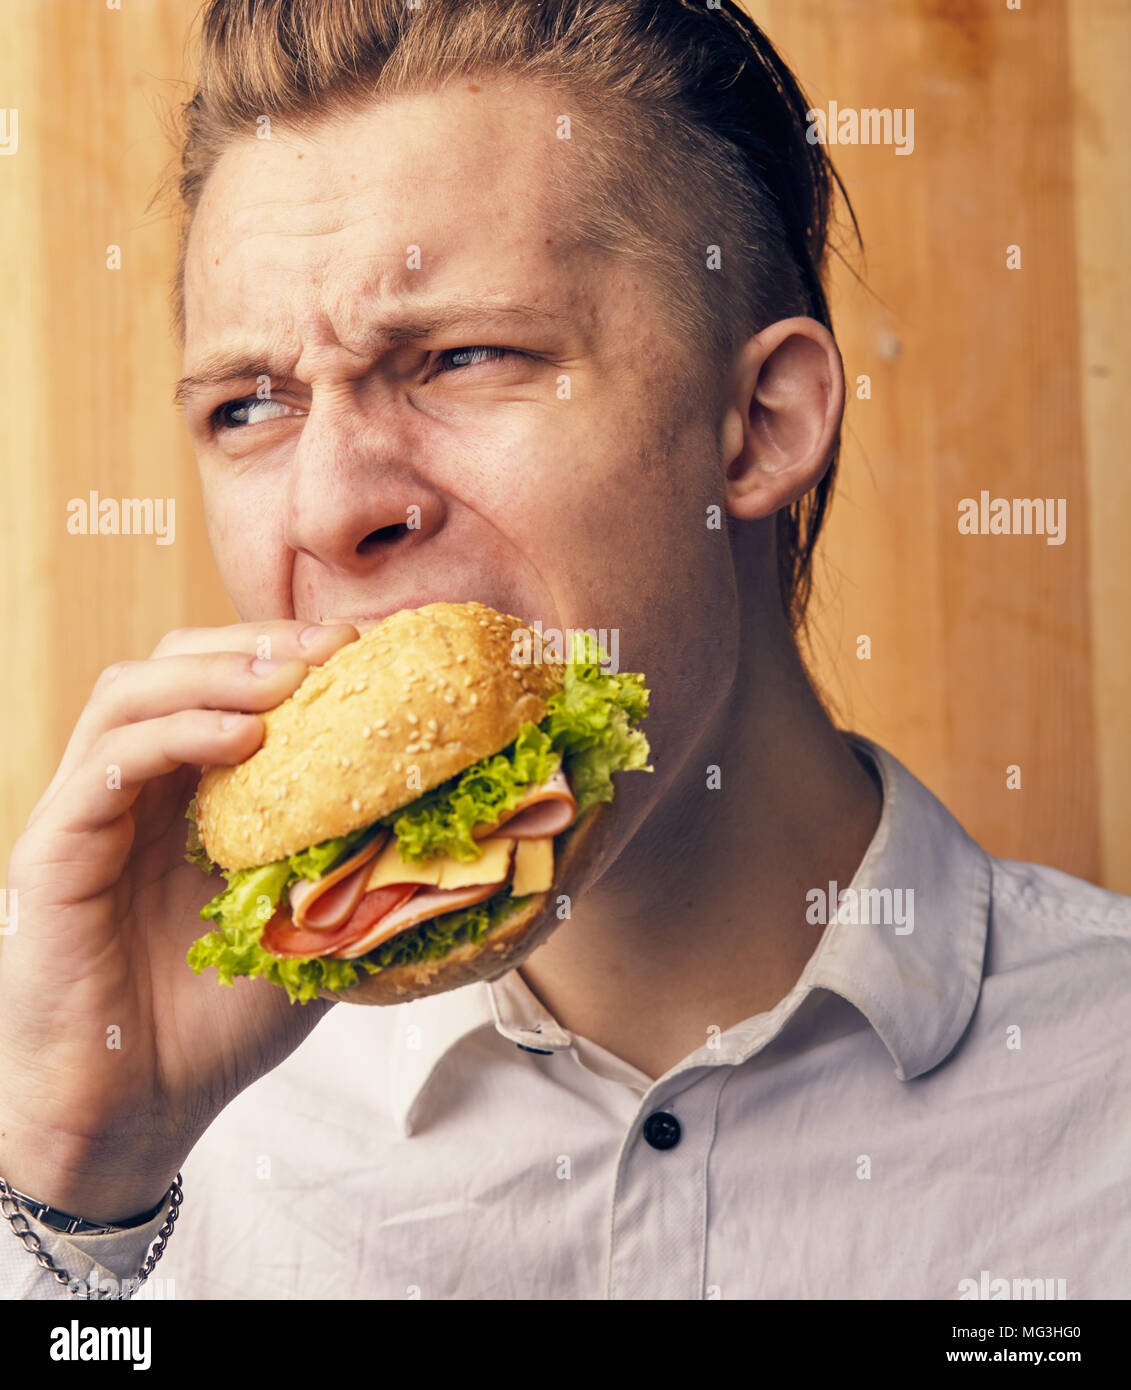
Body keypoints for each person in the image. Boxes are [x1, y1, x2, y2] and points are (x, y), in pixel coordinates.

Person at [1, 0, 1126, 1301]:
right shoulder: (152, 1151)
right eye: (250, 403)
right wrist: (79, 1199)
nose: (324, 508)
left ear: (759, 424)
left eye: (467, 355)